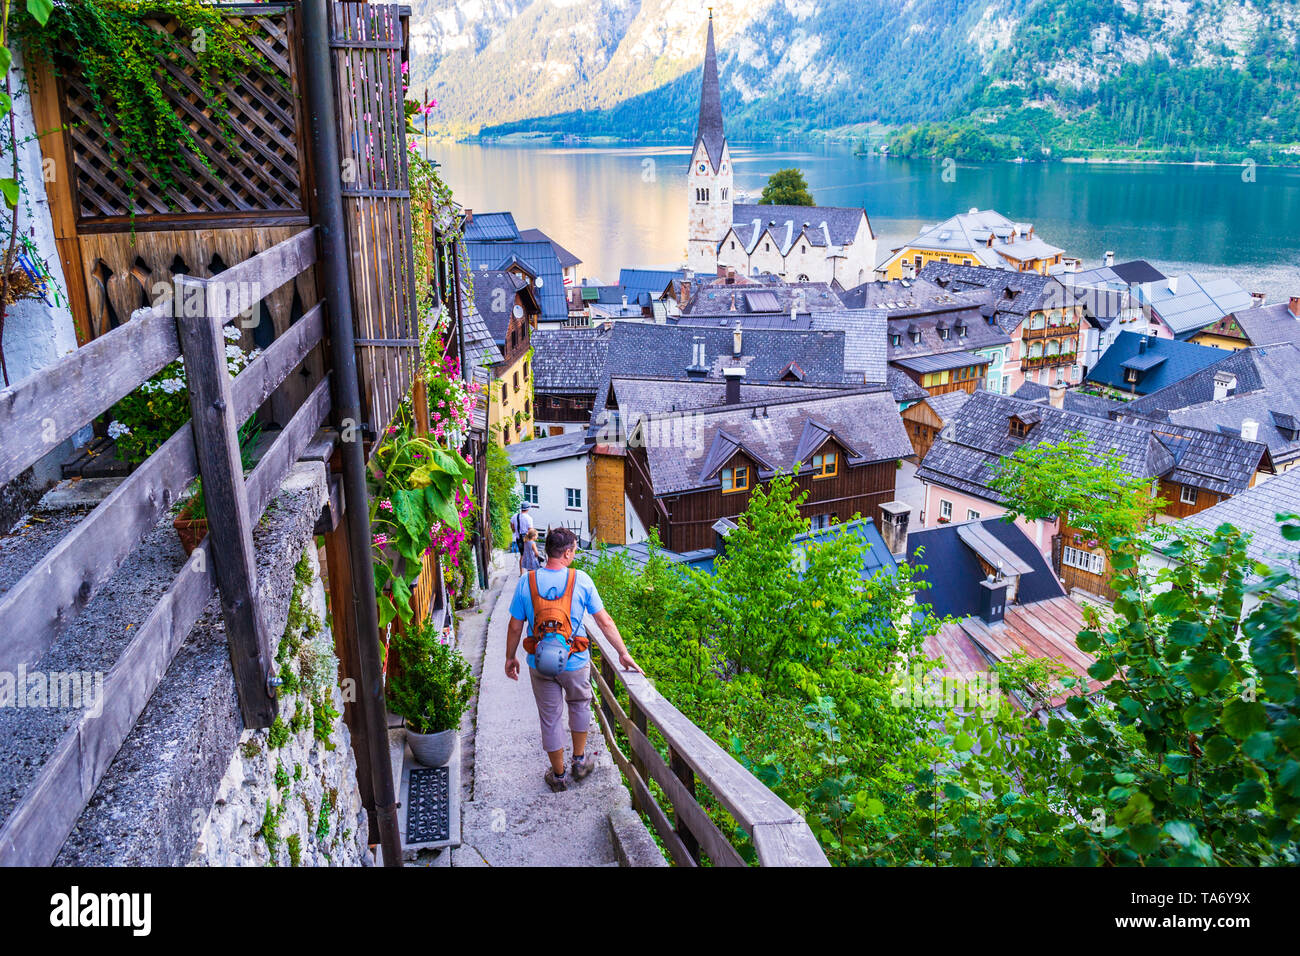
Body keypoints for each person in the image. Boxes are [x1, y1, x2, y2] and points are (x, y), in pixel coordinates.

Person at [505, 526, 641, 792]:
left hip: (539, 662)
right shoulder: (582, 580)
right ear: (567, 553)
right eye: (574, 551)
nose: (574, 555)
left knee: (550, 718)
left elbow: (514, 626)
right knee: (579, 706)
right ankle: (579, 763)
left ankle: (557, 776)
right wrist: (623, 653)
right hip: (575, 660)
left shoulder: (527, 582)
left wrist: (510, 657)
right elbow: (605, 621)